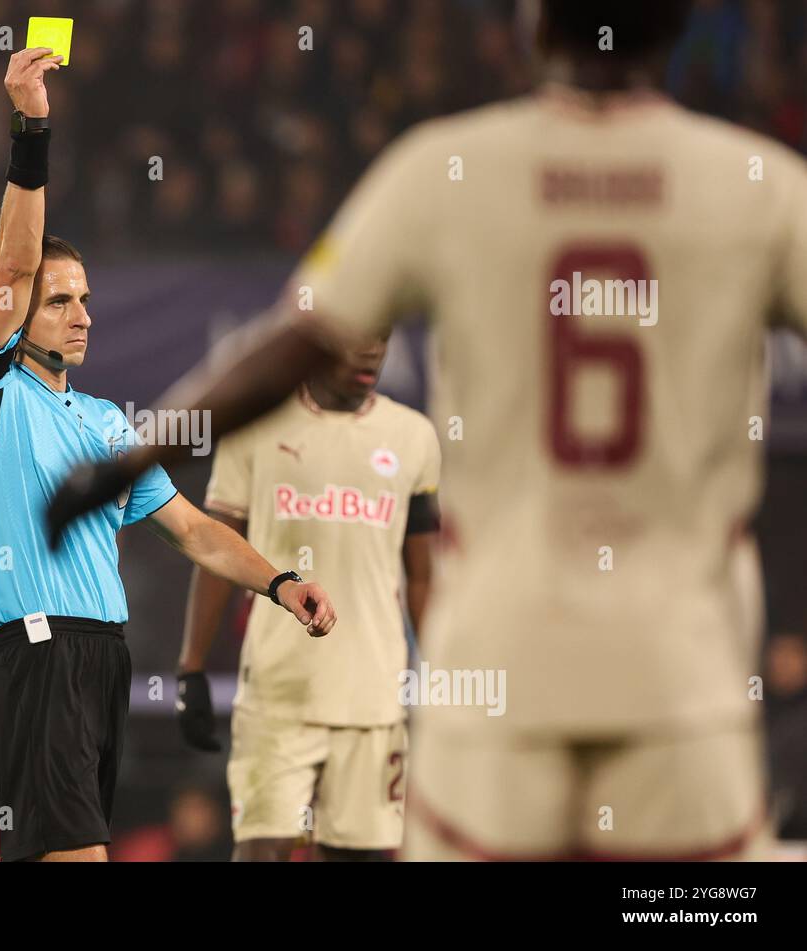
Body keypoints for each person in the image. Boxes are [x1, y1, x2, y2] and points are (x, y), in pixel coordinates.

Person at [47, 0, 807, 860]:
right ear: (676, 30)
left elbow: (294, 341)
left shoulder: (445, 169)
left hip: (501, 662)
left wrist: (134, 456)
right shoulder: (762, 186)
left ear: (533, 25)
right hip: (685, 675)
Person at [0, 48, 336, 863]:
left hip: (99, 659)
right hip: (34, 653)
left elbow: (192, 530)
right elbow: (13, 262)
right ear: (14, 312)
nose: (82, 314)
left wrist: (282, 581)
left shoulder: (108, 421)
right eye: (59, 300)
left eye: (86, 298)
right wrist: (32, 128)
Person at [178, 335, 439, 860]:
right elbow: (215, 549)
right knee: (261, 852)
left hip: (374, 697)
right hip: (278, 692)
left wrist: (438, 679)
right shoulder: (255, 426)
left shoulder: (414, 436)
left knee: (358, 857)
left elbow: (421, 577)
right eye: (356, 338)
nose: (369, 352)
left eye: (382, 338)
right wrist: (192, 666)